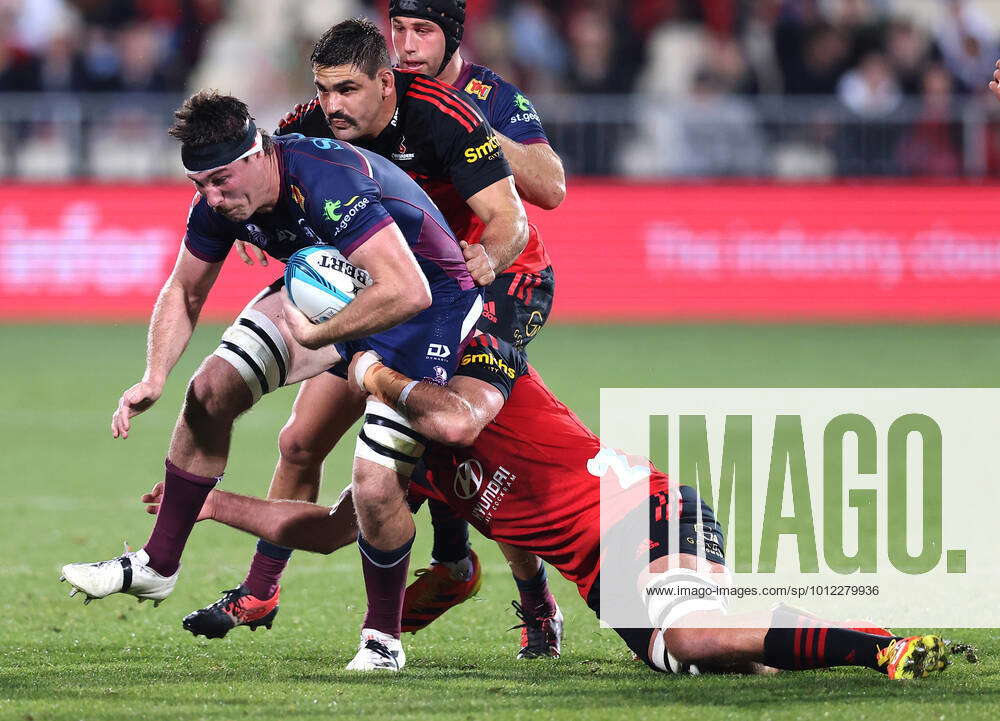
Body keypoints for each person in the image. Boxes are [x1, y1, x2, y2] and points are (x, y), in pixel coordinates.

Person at [140, 334, 965, 681]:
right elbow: (328, 530)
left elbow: (469, 424)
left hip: (641, 514)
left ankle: (884, 646)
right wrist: (209, 503)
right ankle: (866, 631)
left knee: (695, 636)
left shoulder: (482, 369)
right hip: (605, 574)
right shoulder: (404, 462)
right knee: (709, 659)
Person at [59, 90, 485, 671]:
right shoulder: (219, 200)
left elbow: (408, 289)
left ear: (258, 153)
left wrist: (321, 335)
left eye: (221, 180)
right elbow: (184, 290)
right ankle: (158, 564)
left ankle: (383, 640)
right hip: (336, 292)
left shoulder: (328, 181)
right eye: (199, 185)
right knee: (209, 391)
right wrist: (154, 376)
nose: (212, 197)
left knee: (374, 486)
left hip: (424, 309)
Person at [186, 14, 564, 658]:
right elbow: (262, 167)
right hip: (389, 296)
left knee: (470, 457)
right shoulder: (330, 113)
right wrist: (247, 218)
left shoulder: (472, 104)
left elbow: (537, 201)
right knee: (300, 441)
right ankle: (261, 590)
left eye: (424, 31)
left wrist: (488, 255)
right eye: (399, 28)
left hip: (488, 288)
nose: (408, 45)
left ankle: (527, 599)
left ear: (451, 37)